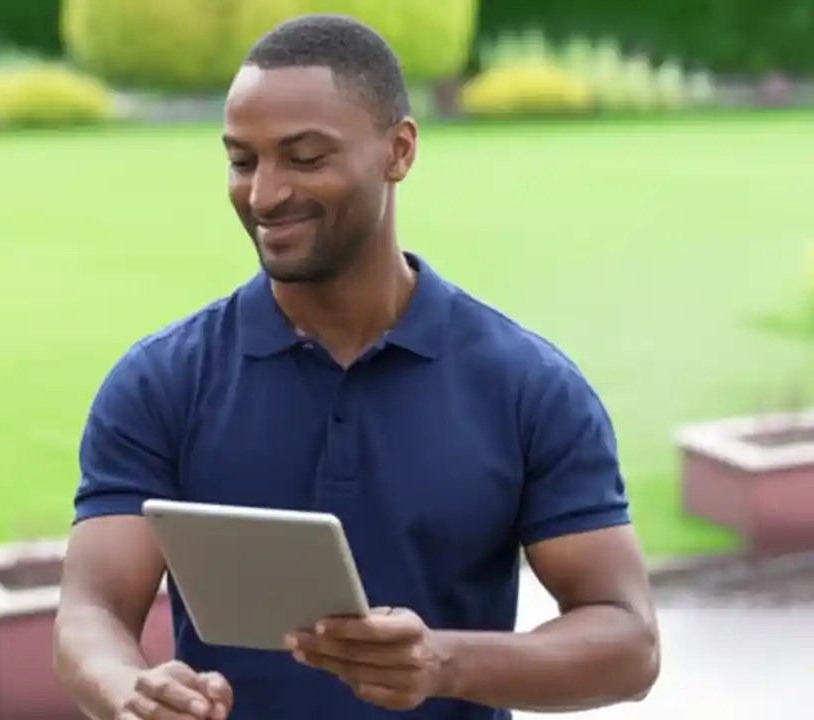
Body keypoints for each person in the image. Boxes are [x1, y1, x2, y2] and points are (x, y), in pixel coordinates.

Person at [52, 13, 660, 720]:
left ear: (399, 151)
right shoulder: (161, 383)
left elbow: (628, 642)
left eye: (305, 158)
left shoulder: (527, 386)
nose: (265, 194)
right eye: (243, 161)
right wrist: (131, 690)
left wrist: (442, 663)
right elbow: (89, 615)